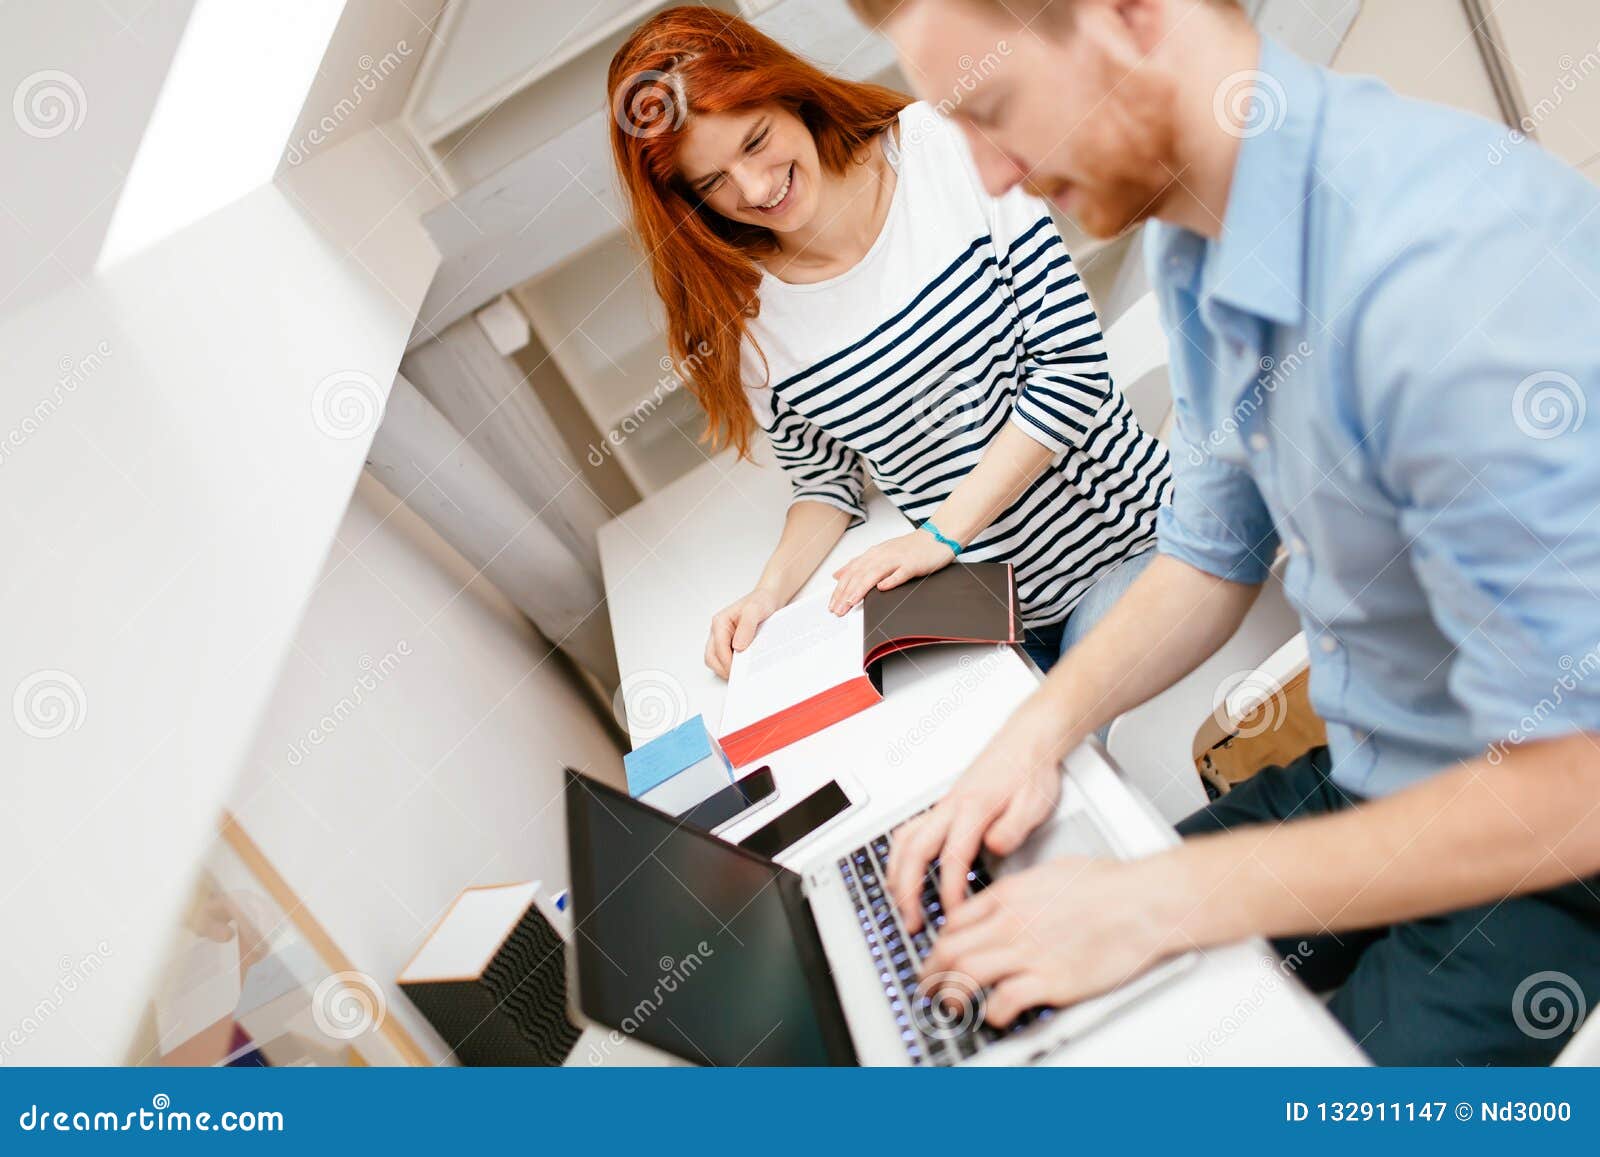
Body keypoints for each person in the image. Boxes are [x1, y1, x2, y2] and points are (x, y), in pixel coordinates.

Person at [856, 0, 1600, 1065]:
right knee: (1014, 997)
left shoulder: (1442, 273)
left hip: (1554, 854)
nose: (992, 174)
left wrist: (1159, 901)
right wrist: (1027, 736)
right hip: (1381, 770)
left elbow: (1578, 788)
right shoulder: (1196, 238)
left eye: (994, 110)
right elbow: (1209, 556)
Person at [606, 6, 1170, 679]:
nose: (754, 187)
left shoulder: (943, 149)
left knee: (1064, 727)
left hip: (1129, 549)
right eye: (713, 182)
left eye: (756, 142)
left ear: (789, 95)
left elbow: (1073, 371)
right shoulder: (748, 318)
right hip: (983, 613)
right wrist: (766, 595)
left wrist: (940, 535)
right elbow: (826, 480)